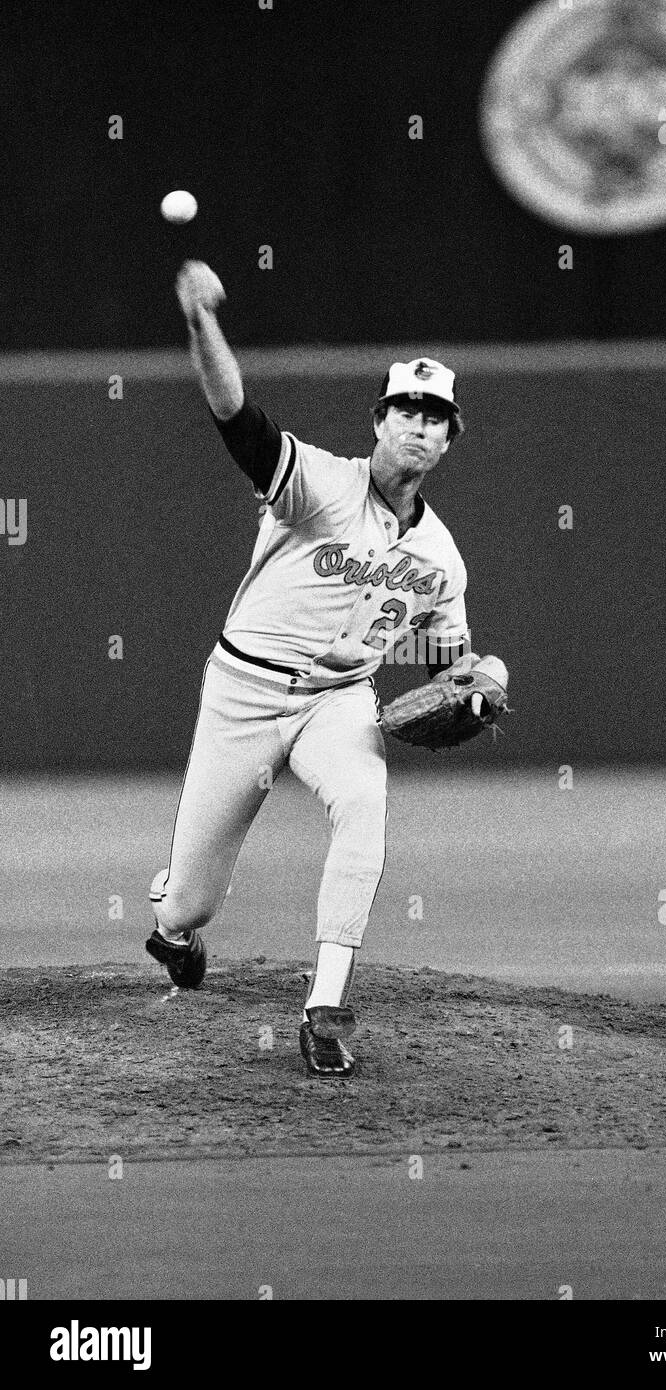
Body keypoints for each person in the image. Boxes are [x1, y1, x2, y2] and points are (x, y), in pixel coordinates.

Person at [146, 260, 480, 1078]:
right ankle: (173, 927)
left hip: (338, 704)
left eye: (436, 416)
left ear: (449, 437)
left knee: (366, 799)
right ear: (378, 419)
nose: (420, 424)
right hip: (243, 697)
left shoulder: (441, 559)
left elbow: (446, 657)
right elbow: (237, 417)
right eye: (406, 407)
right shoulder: (318, 487)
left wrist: (474, 683)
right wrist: (202, 323)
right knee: (192, 901)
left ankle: (325, 1007)